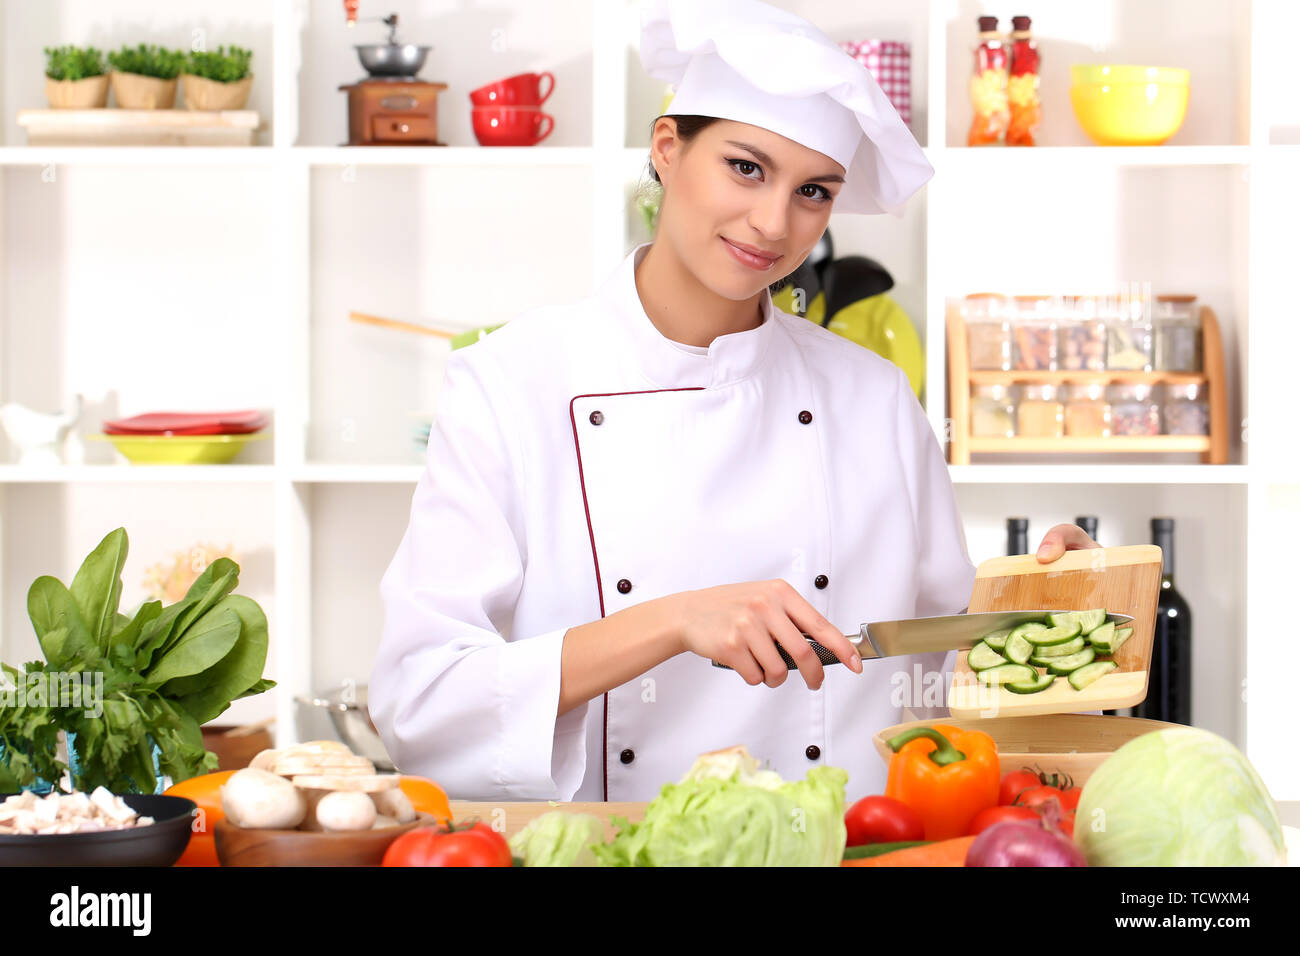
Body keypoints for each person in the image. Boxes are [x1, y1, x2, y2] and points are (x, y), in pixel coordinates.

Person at [369, 0, 1098, 802]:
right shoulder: (511, 385)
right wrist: (674, 622)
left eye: (814, 192)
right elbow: (423, 702)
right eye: (745, 168)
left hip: (844, 850)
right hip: (617, 853)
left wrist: (1037, 607)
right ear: (667, 148)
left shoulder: (873, 396)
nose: (773, 222)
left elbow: (936, 666)